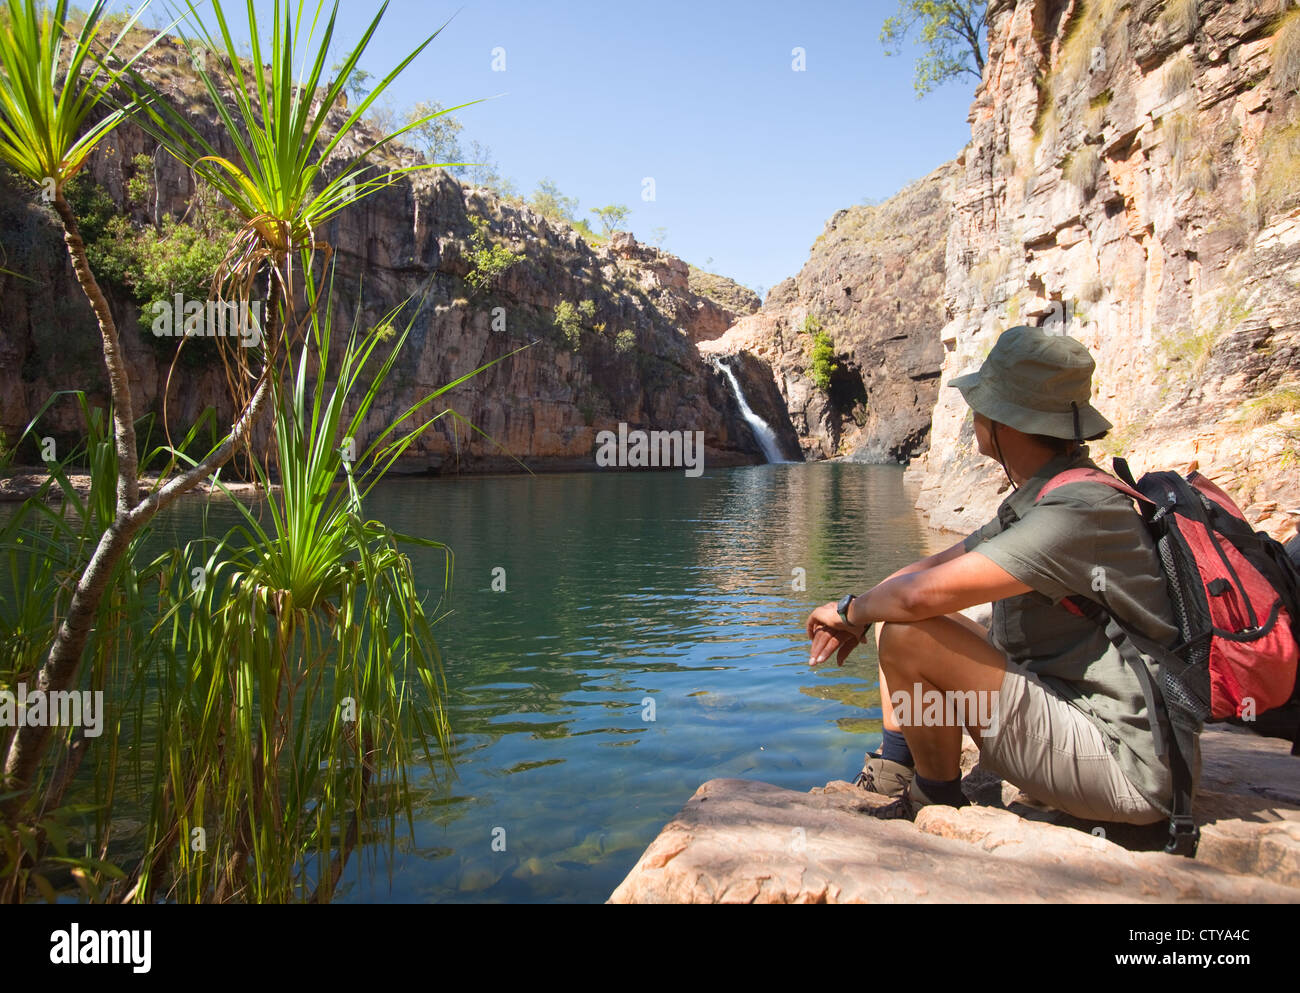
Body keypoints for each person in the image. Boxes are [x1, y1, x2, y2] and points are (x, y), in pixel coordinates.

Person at [804, 325, 1195, 823]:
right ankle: (896, 764)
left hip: (1128, 768)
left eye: (980, 406)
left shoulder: (1077, 509)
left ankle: (935, 800)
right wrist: (862, 609)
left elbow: (918, 601)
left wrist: (845, 611)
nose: (974, 416)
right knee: (890, 613)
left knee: (905, 630)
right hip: (1079, 715)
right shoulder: (1054, 491)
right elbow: (928, 570)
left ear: (1003, 421)